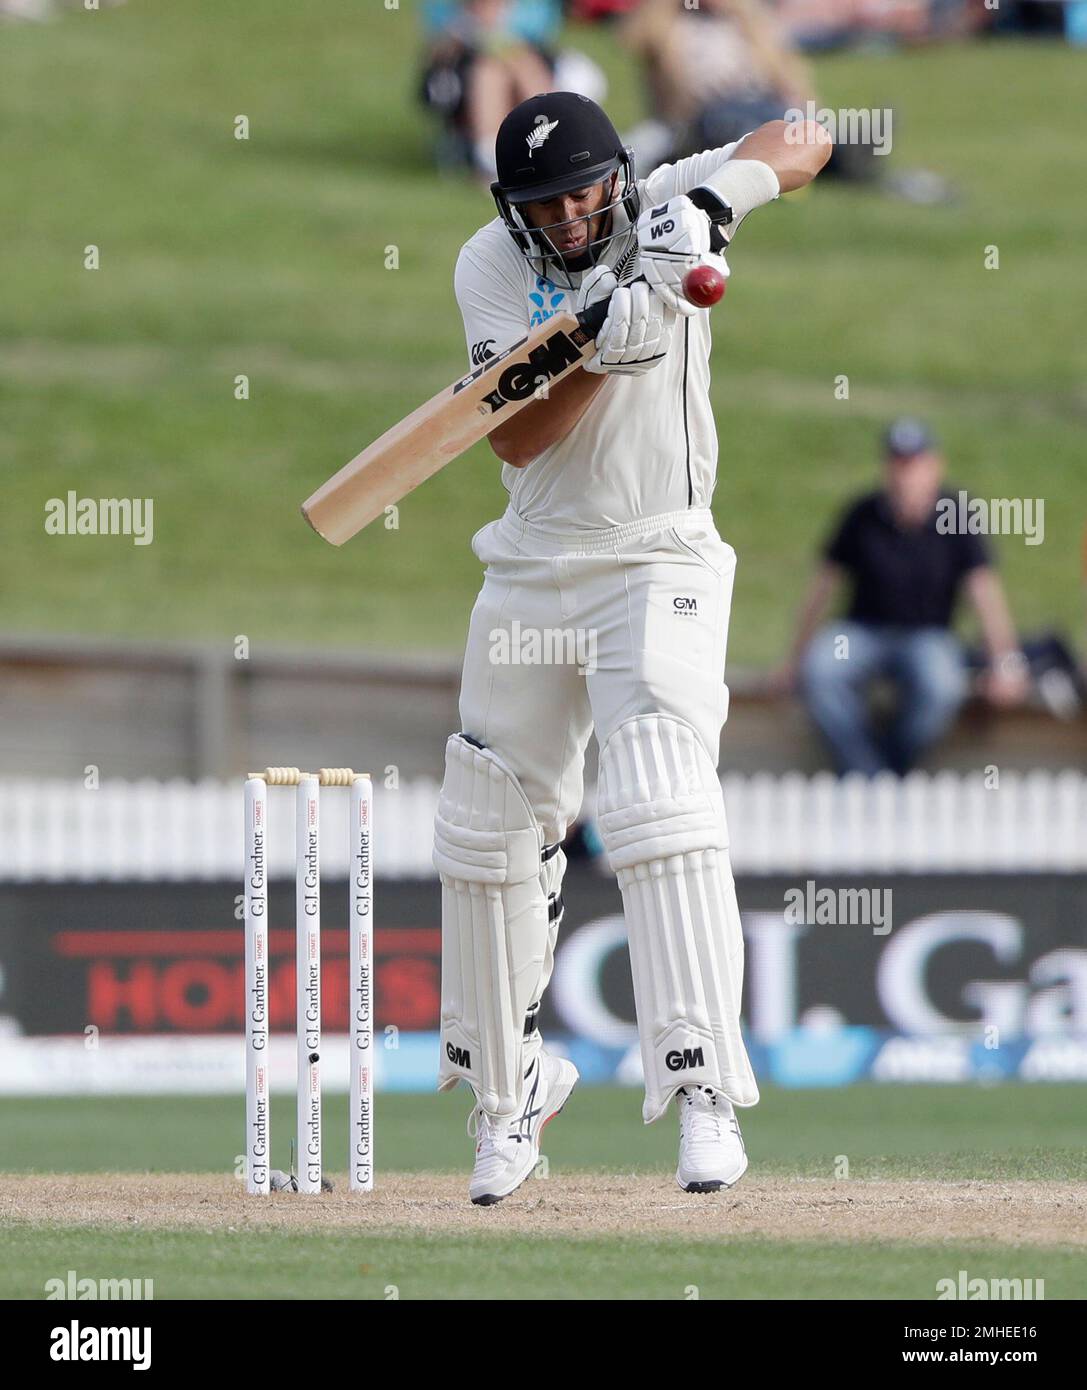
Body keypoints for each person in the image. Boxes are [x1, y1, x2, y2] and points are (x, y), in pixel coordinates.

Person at [435, 90, 831, 1203]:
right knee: (484, 824)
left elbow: (807, 129)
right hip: (531, 562)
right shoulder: (489, 266)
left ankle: (701, 1091)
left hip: (660, 555)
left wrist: (715, 197)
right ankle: (508, 1100)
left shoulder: (664, 195)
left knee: (657, 788)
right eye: (542, 203)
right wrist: (595, 342)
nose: (567, 214)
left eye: (582, 191)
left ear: (618, 172)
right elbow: (510, 436)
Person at [771, 419, 1029, 774]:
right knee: (821, 670)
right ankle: (869, 776)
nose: (904, 474)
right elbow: (822, 589)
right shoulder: (862, 513)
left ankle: (888, 771)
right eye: (897, 463)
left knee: (941, 685)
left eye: (913, 463)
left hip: (929, 636)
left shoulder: (956, 515)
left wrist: (1005, 661)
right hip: (862, 631)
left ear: (934, 466)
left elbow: (984, 592)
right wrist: (794, 659)